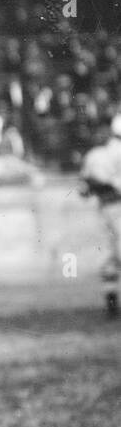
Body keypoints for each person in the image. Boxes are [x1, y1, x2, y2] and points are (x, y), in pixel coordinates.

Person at [79, 117, 121, 317]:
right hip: (109, 206)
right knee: (109, 255)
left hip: (110, 206)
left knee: (110, 255)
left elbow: (85, 190)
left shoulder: (97, 154)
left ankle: (112, 304)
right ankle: (112, 304)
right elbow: (84, 190)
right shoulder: (97, 154)